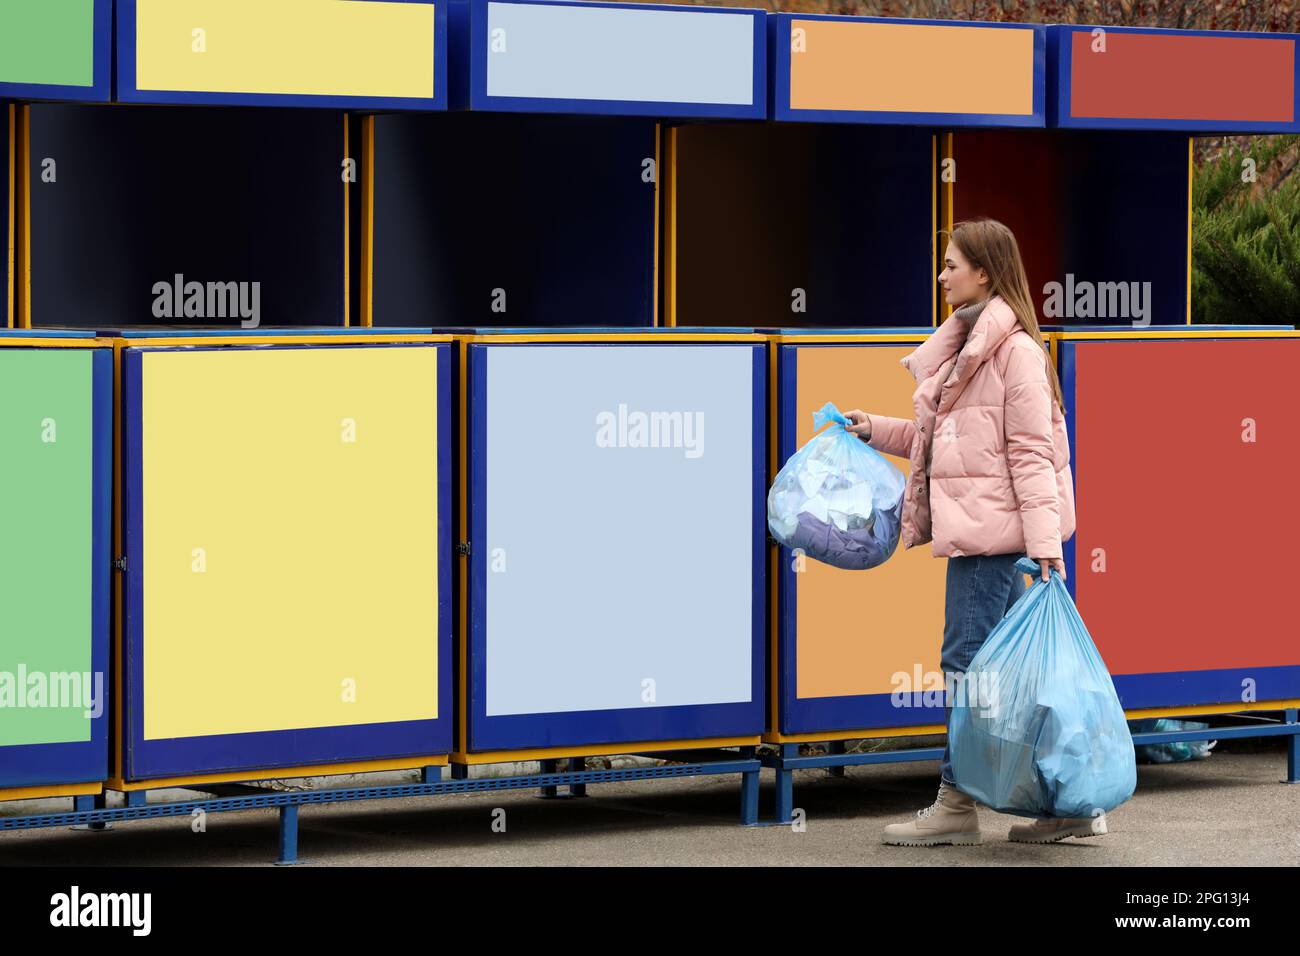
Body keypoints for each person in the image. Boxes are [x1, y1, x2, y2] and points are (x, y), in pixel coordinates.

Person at [842, 217, 1094, 847]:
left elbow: (1034, 458)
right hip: (998, 542)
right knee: (1027, 676)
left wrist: (1046, 552)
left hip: (995, 546)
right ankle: (1071, 802)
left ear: (984, 271)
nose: (941, 274)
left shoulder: (1014, 355)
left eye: (951, 264)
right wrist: (873, 427)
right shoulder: (970, 347)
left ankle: (956, 805)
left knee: (966, 669)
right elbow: (943, 445)